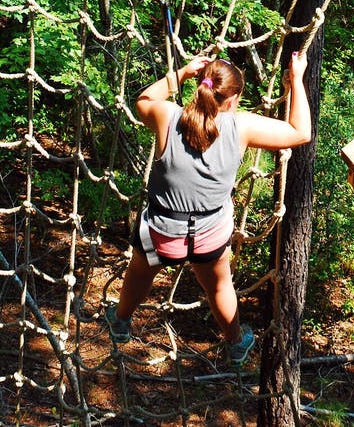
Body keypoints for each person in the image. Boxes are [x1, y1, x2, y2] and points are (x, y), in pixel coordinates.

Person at [105, 51, 311, 366]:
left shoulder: (167, 116)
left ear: (201, 86)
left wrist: (184, 72)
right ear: (234, 99)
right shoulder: (242, 127)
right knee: (219, 286)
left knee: (139, 272)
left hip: (163, 233)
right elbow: (300, 133)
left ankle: (121, 321)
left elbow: (143, 99)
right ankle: (235, 342)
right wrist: (296, 79)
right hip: (208, 236)